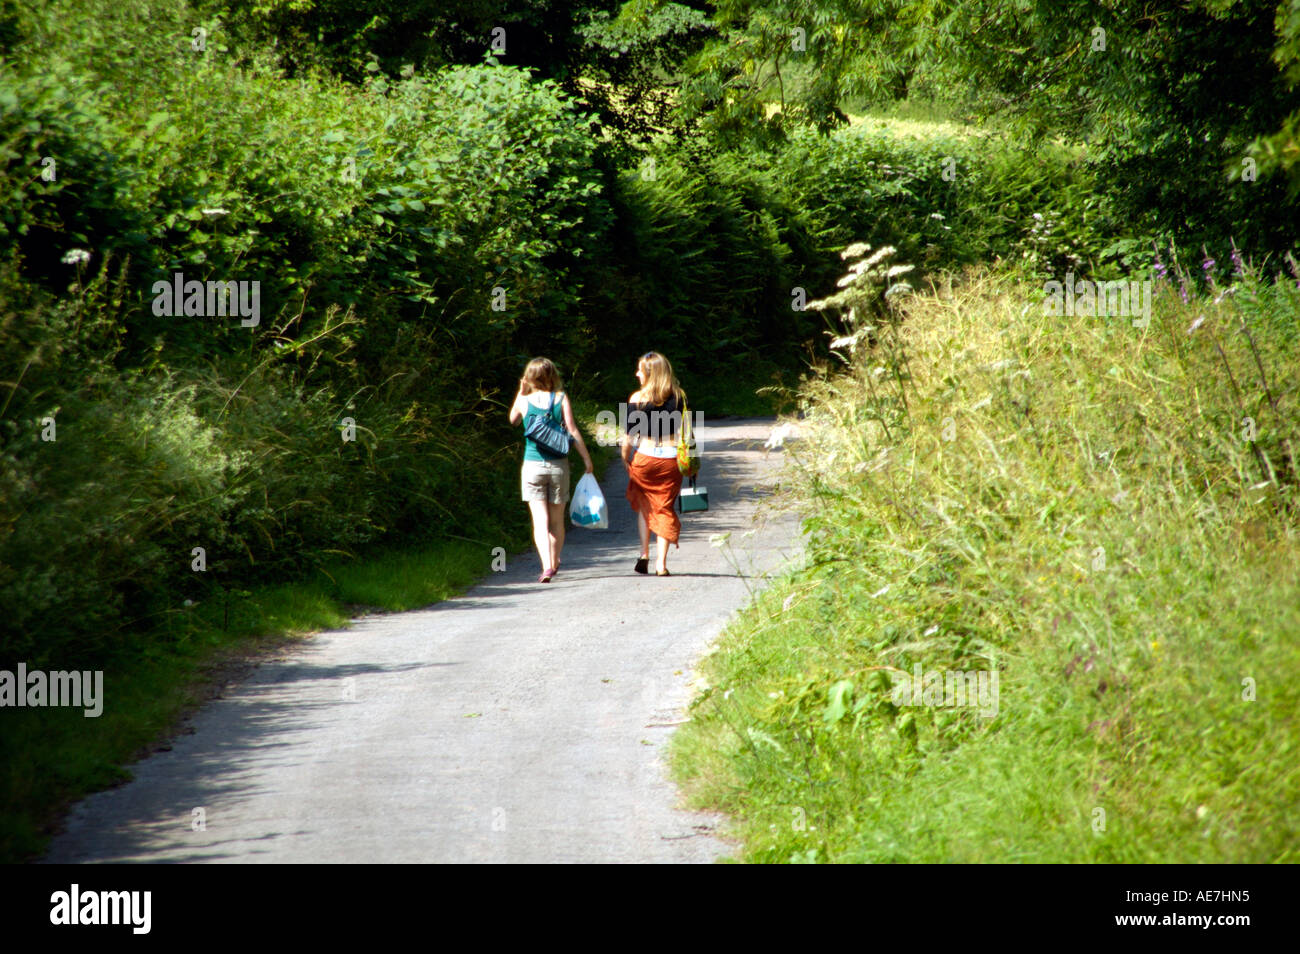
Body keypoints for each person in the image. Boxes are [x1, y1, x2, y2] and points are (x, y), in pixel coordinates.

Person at [509, 357, 594, 583]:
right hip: (559, 466)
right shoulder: (561, 398)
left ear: (529, 377)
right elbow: (573, 430)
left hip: (532, 466)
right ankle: (555, 562)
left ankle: (546, 566)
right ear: (553, 375)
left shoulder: (524, 400)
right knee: (557, 520)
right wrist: (587, 459)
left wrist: (520, 391)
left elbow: (513, 421)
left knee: (540, 520)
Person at [621, 351, 688, 576]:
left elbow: (630, 438)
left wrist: (625, 458)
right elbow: (685, 433)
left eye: (640, 370)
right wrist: (693, 465)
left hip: (645, 458)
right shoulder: (679, 396)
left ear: (650, 373)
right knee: (664, 507)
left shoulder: (636, 399)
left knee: (644, 504)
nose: (636, 373)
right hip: (670, 459)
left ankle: (644, 553)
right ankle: (661, 563)